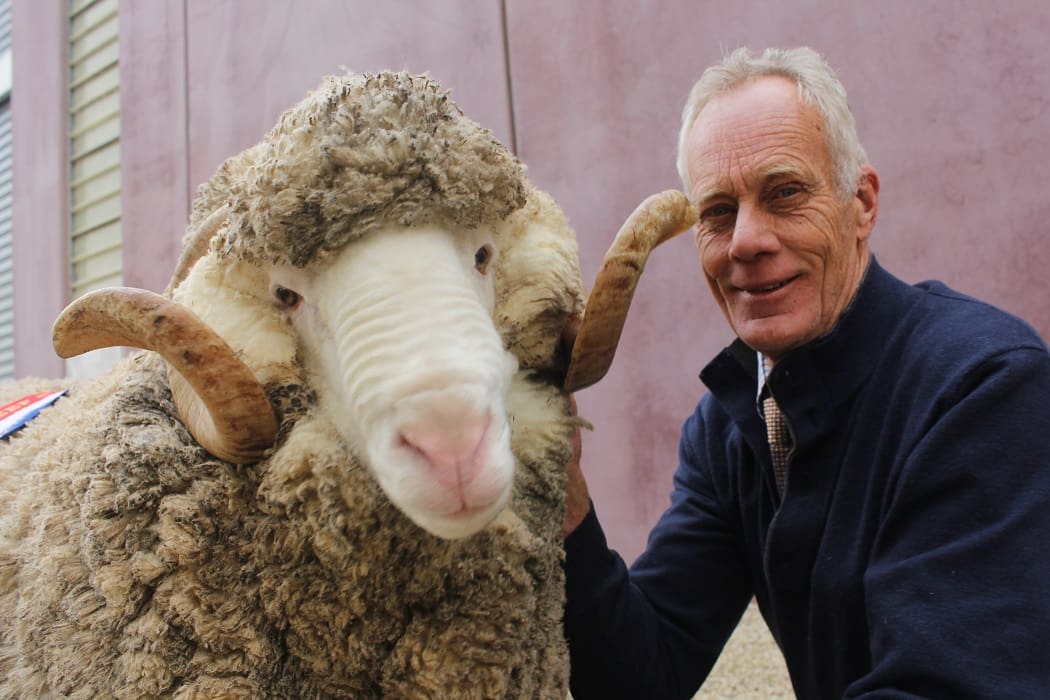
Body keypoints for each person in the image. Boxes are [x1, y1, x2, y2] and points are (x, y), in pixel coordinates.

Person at [562, 46, 1050, 699]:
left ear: (862, 203)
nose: (746, 241)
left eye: (785, 193)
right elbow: (640, 676)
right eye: (718, 212)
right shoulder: (730, 426)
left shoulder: (983, 389)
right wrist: (560, 495)